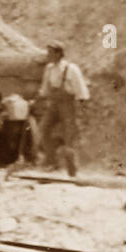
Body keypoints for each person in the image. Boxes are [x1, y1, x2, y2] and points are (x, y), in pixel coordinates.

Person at [38, 41, 89, 176]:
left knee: (69, 136)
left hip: (68, 105)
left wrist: (82, 110)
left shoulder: (71, 69)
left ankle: (72, 170)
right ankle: (52, 161)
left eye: (50, 53)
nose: (47, 55)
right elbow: (45, 88)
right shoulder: (48, 69)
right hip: (54, 104)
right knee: (43, 128)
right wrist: (40, 98)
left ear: (59, 54)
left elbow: (81, 90)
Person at [0, 91, 34, 166]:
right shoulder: (21, 103)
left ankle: (7, 160)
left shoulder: (7, 103)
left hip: (13, 122)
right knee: (14, 141)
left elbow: (0, 121)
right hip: (19, 122)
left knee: (10, 141)